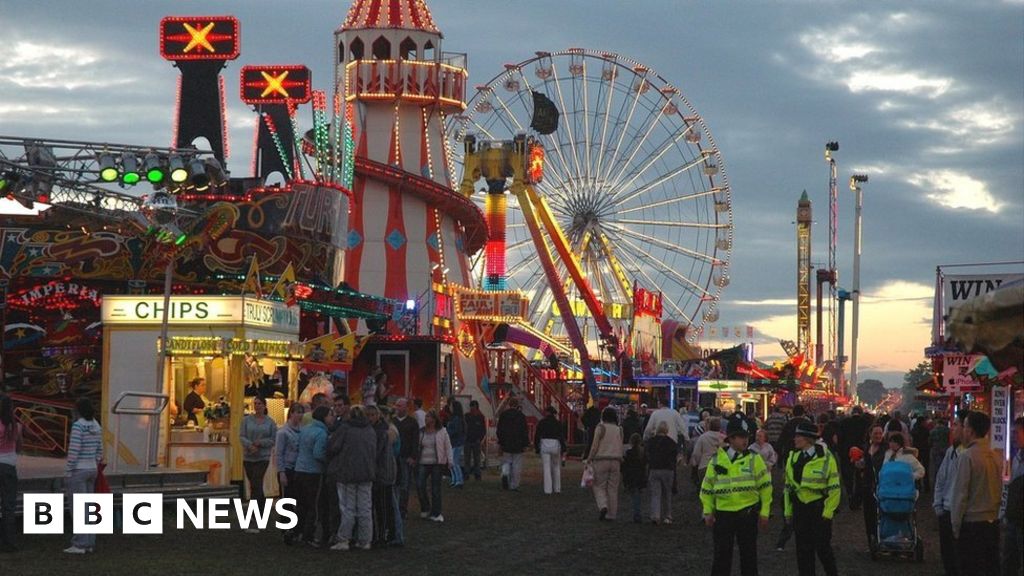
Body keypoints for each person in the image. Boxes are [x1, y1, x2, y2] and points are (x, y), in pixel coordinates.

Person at [702, 415, 772, 576]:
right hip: (723, 514)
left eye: (746, 436)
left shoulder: (754, 459)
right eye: (741, 437)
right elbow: (707, 488)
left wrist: (765, 511)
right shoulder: (717, 460)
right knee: (721, 557)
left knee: (749, 557)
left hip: (747, 513)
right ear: (731, 439)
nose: (745, 440)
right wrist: (707, 511)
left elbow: (766, 488)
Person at [784, 420, 839, 576]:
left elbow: (835, 488)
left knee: (823, 549)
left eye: (798, 436)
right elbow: (788, 488)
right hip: (800, 508)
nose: (795, 439)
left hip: (819, 508)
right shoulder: (792, 457)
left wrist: (828, 512)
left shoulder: (826, 458)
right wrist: (788, 511)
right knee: (803, 551)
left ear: (807, 438)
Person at [951, 411, 1002, 576]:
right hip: (992, 521)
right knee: (990, 567)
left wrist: (955, 526)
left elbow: (960, 495)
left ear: (971, 431)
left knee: (971, 567)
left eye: (965, 426)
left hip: (972, 524)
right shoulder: (995, 456)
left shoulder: (967, 457)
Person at [327, 405, 377, 551]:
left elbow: (333, 447)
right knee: (365, 508)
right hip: (366, 472)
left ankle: (344, 539)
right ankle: (365, 540)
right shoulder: (370, 430)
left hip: (347, 472)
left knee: (347, 508)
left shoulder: (345, 429)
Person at [64, 397, 104, 554]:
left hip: (79, 470)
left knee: (78, 508)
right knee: (88, 508)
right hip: (92, 469)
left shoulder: (78, 426)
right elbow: (100, 450)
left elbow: (74, 450)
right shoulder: (96, 425)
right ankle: (89, 542)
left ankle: (79, 544)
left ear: (78, 410)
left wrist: (69, 469)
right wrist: (95, 461)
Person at [289, 406, 333, 546]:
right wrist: (329, 461)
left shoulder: (305, 429)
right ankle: (308, 535)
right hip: (313, 473)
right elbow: (318, 454)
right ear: (324, 417)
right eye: (330, 415)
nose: (332, 418)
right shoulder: (321, 433)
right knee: (314, 506)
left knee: (301, 504)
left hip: (299, 470)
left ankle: (296, 532)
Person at [933, 413, 964, 576]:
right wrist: (938, 505)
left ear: (968, 429)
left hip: (961, 513)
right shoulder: (951, 451)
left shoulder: (968, 455)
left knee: (959, 556)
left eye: (956, 425)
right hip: (946, 510)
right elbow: (940, 479)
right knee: (947, 554)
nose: (952, 428)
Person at [239, 395, 277, 530]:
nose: (257, 406)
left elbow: (273, 439)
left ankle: (252, 516)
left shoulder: (270, 422)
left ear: (264, 405)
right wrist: (250, 445)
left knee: (256, 482)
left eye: (259, 403)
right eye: (255, 403)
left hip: (263, 457)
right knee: (255, 485)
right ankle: (262, 512)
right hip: (248, 456)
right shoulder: (246, 421)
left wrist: (260, 443)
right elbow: (241, 436)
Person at [585, 406, 623, 521]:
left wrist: (589, 458)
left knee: (598, 485)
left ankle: (603, 505)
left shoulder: (600, 428)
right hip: (616, 461)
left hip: (601, 460)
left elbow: (594, 445)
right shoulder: (619, 429)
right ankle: (612, 514)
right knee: (613, 489)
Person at [417, 411, 453, 522]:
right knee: (420, 485)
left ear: (434, 419)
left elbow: (448, 446)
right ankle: (425, 507)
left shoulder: (442, 431)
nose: (426, 419)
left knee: (435, 488)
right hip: (423, 461)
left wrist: (450, 460)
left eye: (428, 417)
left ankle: (436, 512)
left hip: (437, 462)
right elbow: (418, 444)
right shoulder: (421, 431)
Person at [855, 425, 887, 550]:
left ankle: (883, 539)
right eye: (875, 433)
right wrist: (859, 465)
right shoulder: (866, 448)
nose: (878, 436)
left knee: (881, 513)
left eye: (880, 433)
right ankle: (872, 541)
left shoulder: (887, 449)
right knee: (869, 515)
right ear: (870, 434)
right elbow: (863, 464)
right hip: (867, 485)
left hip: (882, 485)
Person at [0, 394, 23, 553]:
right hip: (9, 466)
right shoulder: (16, 426)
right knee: (8, 505)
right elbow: (19, 446)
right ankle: (9, 541)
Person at [1002, 416, 1024, 576]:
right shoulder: (1017, 457)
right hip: (1014, 518)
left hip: (1019, 519)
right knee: (1009, 559)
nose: (1013, 437)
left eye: (1016, 433)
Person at [837, 406, 870, 508]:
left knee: (848, 476)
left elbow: (840, 439)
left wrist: (841, 452)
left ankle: (850, 493)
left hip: (846, 453)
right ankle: (857, 499)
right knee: (860, 476)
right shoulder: (865, 423)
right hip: (860, 452)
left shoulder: (844, 422)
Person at [393, 398, 419, 519]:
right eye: (396, 405)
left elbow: (415, 441)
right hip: (393, 458)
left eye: (399, 406)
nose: (397, 408)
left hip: (405, 457)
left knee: (405, 484)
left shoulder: (412, 423)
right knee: (394, 484)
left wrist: (413, 456)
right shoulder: (392, 421)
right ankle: (394, 507)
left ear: (406, 408)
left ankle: (402, 509)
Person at [647, 421, 678, 524]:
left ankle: (655, 515)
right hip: (668, 470)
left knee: (655, 494)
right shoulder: (671, 442)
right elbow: (674, 458)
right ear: (667, 430)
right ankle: (667, 516)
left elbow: (647, 454)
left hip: (654, 468)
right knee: (667, 493)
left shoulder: (651, 441)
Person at [496, 397, 529, 491]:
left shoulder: (503, 415)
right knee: (516, 465)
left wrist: (501, 441)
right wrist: (525, 443)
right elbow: (524, 431)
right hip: (518, 443)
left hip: (506, 442)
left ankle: (505, 473)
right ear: (517, 405)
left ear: (509, 404)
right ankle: (514, 485)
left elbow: (499, 430)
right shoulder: (521, 416)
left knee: (506, 461)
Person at [275, 403, 305, 502]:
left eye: (302, 413)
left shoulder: (303, 430)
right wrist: (281, 472)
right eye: (298, 412)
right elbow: (279, 453)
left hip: (299, 468)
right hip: (287, 468)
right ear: (291, 413)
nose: (300, 415)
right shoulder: (282, 432)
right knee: (287, 500)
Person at [534, 406, 566, 495]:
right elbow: (561, 436)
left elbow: (537, 436)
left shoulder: (542, 422)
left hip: (545, 444)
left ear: (547, 412)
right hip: (555, 445)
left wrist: (537, 448)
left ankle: (548, 490)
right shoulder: (558, 423)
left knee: (546, 467)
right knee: (556, 467)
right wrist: (564, 448)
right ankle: (557, 488)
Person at [692, 416, 725, 487]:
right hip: (720, 466)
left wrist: (698, 462)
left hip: (705, 465)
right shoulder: (724, 438)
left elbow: (696, 453)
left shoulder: (703, 437)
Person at [622, 432, 648, 523]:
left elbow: (625, 466)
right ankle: (637, 513)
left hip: (632, 477)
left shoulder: (629, 453)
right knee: (638, 495)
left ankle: (637, 514)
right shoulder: (643, 453)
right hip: (641, 476)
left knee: (635, 496)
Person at [464, 400, 486, 481]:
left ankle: (477, 474)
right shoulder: (467, 416)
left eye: (473, 406)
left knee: (477, 459)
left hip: (476, 441)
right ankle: (467, 474)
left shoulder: (480, 417)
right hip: (468, 440)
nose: (472, 408)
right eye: (471, 406)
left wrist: (480, 439)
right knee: (467, 459)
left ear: (476, 407)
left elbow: (483, 430)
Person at [446, 400, 466, 488]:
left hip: (456, 443)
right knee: (452, 462)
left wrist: (447, 432)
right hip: (454, 443)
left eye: (451, 406)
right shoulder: (456, 418)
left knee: (454, 462)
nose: (450, 408)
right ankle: (455, 479)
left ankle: (459, 480)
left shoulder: (456, 419)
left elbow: (456, 431)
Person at [929, 416, 951, 491]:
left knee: (936, 467)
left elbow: (930, 441)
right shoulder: (947, 430)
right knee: (945, 466)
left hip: (935, 449)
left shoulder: (933, 431)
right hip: (945, 449)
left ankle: (937, 482)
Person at [911, 415, 932, 488]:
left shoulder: (914, 430)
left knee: (916, 467)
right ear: (922, 422)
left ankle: (918, 485)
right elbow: (928, 439)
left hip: (917, 450)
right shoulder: (926, 430)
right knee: (925, 467)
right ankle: (926, 485)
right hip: (925, 450)